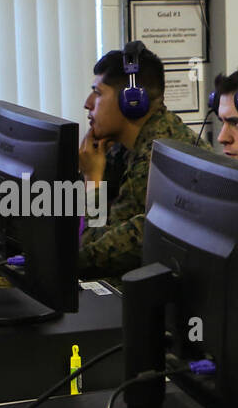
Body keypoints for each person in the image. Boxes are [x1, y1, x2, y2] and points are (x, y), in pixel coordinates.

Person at [78, 43, 203, 279]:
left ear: (131, 101)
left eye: (98, 92)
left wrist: (92, 181)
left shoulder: (156, 161)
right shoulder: (126, 147)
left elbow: (92, 250)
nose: (87, 102)